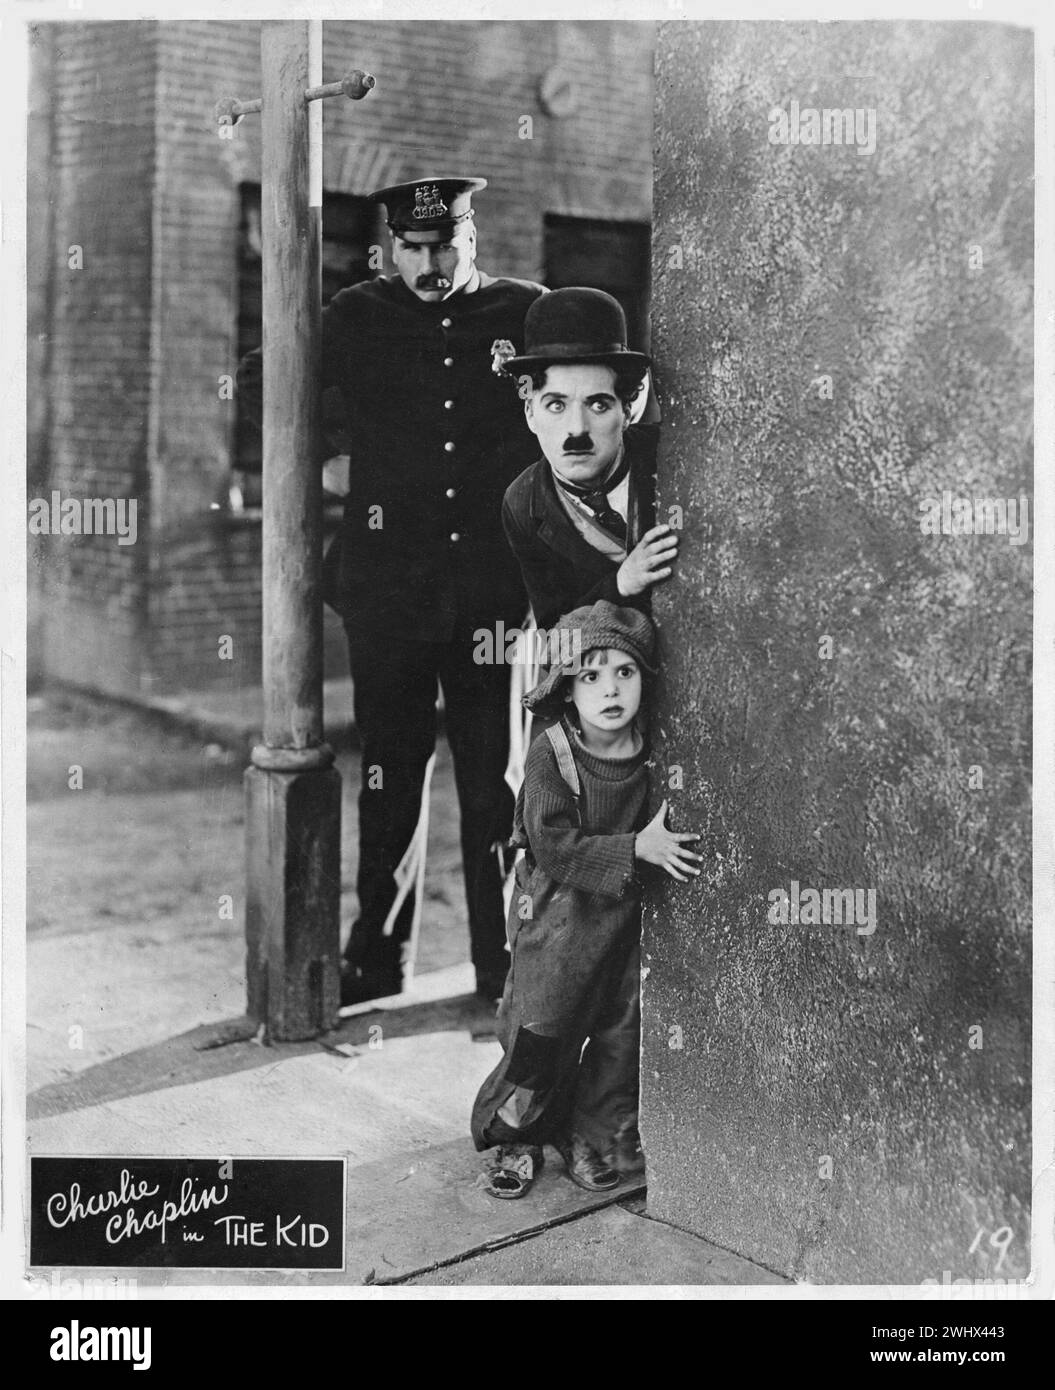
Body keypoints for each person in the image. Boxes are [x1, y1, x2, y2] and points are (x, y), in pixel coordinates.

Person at [236, 176, 546, 1005]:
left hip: (491, 597)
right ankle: (378, 959)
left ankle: (501, 962)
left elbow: (587, 394)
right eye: (413, 248)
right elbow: (265, 375)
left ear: (472, 239)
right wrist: (326, 449)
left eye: (444, 245)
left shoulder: (525, 312)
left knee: (497, 786)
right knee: (389, 775)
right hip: (388, 593)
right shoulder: (358, 313)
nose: (430, 263)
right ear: (390, 248)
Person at [470, 601, 702, 1197]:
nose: (609, 689)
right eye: (591, 675)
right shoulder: (554, 751)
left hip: (619, 915)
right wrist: (634, 850)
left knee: (620, 1031)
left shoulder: (650, 747)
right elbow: (550, 842)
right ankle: (515, 1135)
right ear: (567, 690)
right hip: (554, 914)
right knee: (541, 1027)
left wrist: (639, 856)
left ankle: (591, 1137)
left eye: (624, 673)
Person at [499, 287, 680, 632]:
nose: (577, 430)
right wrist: (621, 585)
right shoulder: (523, 503)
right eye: (556, 405)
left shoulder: (669, 456)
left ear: (627, 411)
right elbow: (555, 628)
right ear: (530, 414)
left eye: (598, 405)